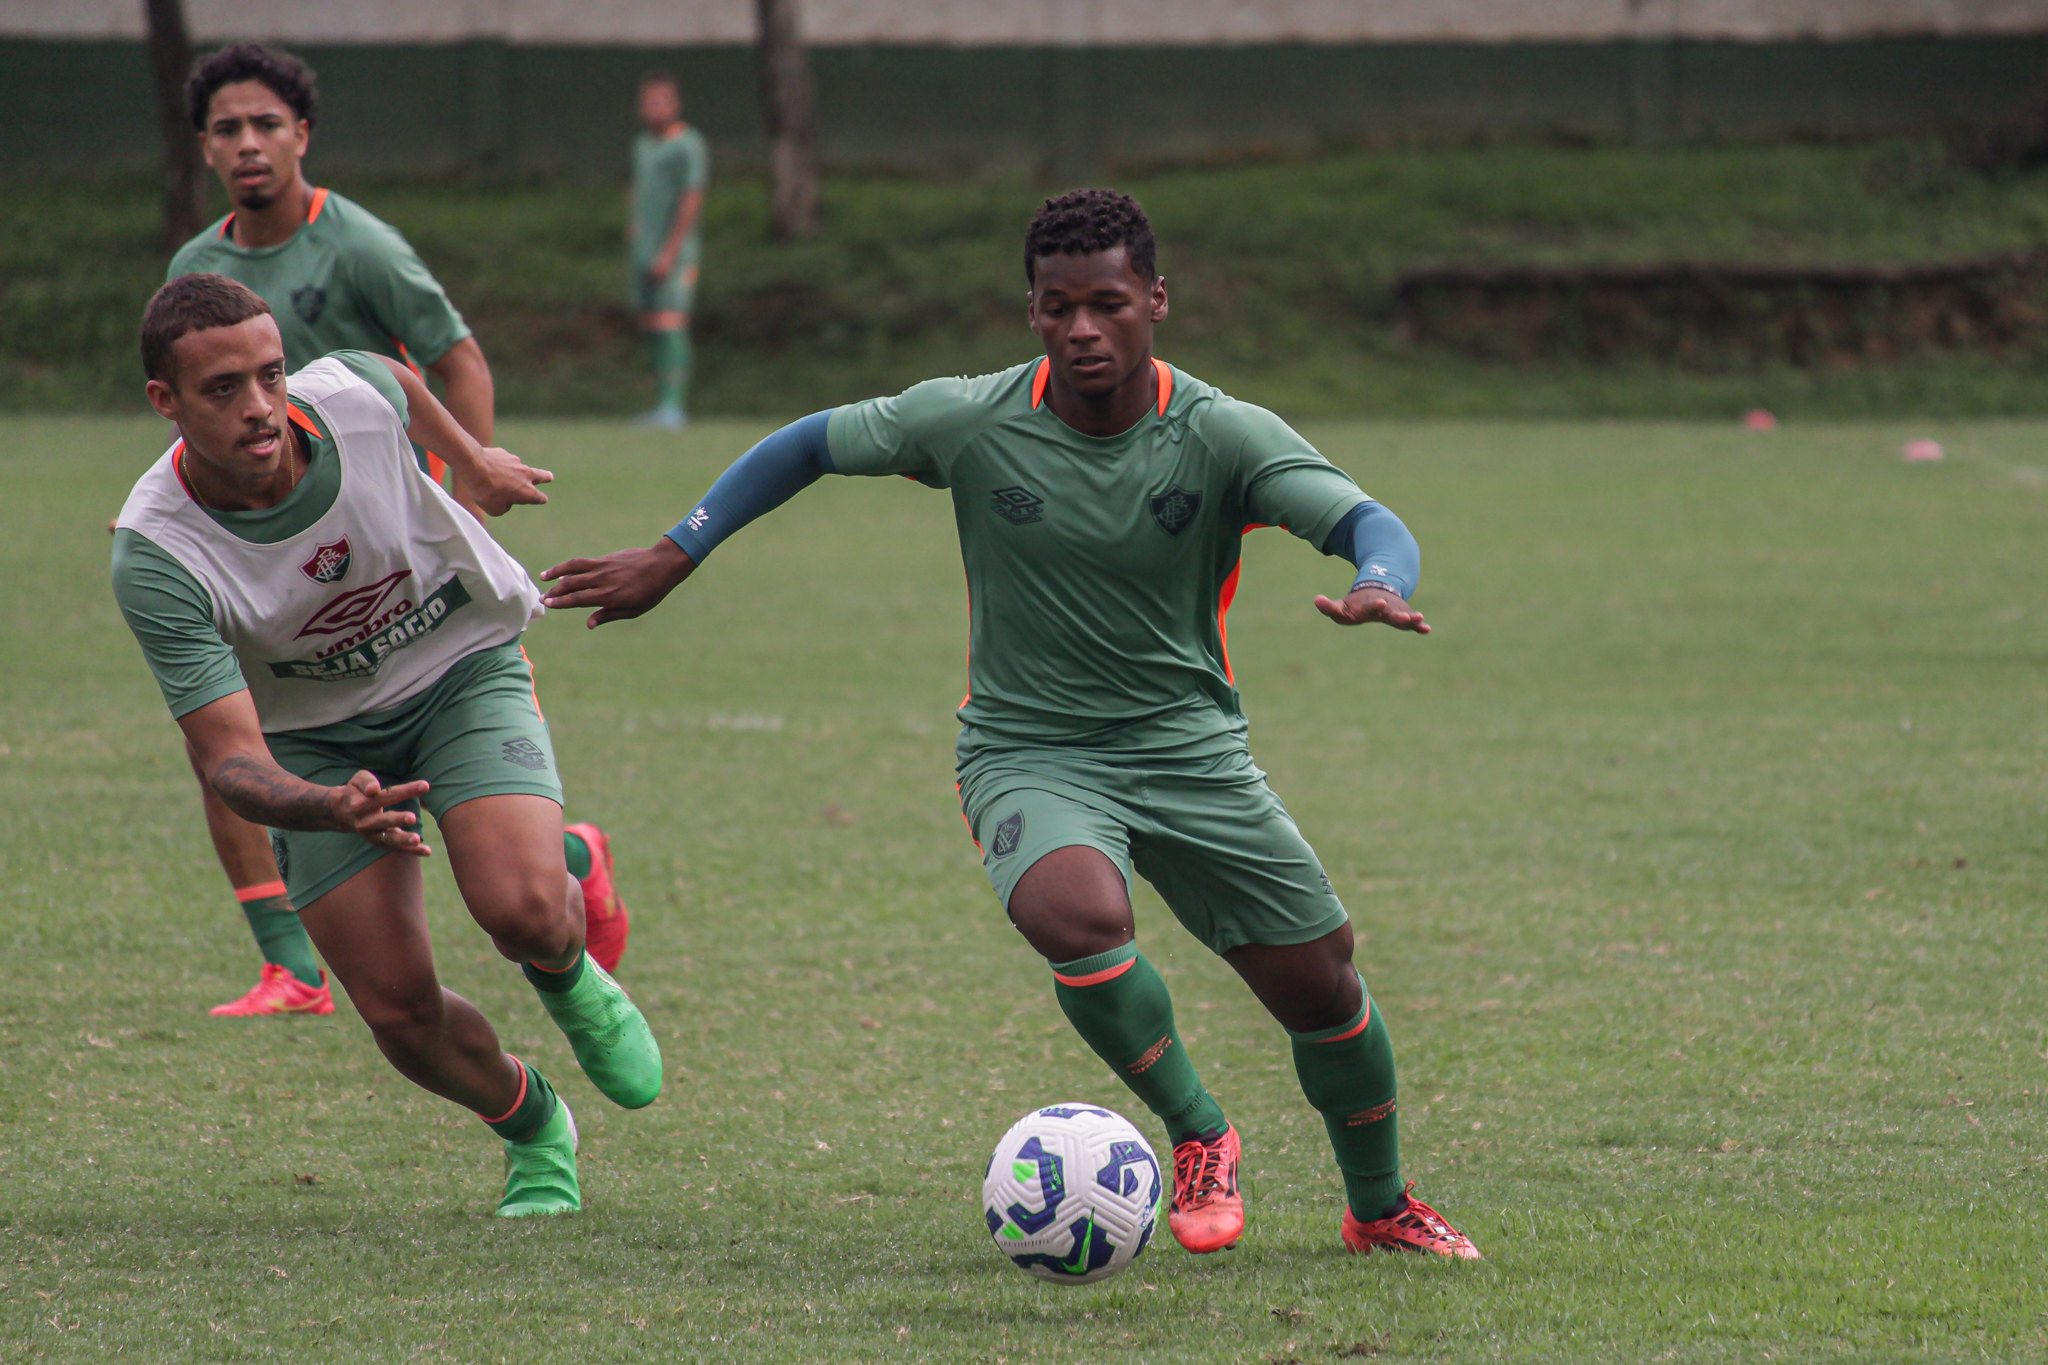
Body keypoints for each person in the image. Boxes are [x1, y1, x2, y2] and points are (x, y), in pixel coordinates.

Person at [539, 190, 1481, 1259]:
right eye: (1056, 307)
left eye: (1108, 304)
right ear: (1030, 311)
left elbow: (1364, 518)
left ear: (1155, 302)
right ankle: (1198, 1131)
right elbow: (809, 443)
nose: (1083, 328)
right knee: (1072, 916)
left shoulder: (1217, 433)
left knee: (1323, 985)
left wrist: (1376, 578)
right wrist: (680, 547)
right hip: (1028, 750)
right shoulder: (970, 419)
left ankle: (1379, 1205)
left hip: (1187, 748)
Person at [112, 273, 664, 1217]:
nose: (261, 409)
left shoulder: (347, 400)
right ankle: (533, 1124)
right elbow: (230, 763)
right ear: (165, 402)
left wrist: (472, 460)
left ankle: (566, 962)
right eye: (223, 390)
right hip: (317, 752)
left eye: (271, 375)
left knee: (522, 910)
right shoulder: (158, 552)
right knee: (400, 1014)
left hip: (458, 669)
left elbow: (398, 380)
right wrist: (332, 804)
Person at [164, 43, 630, 1015]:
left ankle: (568, 855)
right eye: (226, 128)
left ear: (303, 136)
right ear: (205, 149)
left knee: (456, 809)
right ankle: (289, 966)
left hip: (389, 564)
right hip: (273, 569)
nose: (247, 144)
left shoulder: (360, 247)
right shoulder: (196, 270)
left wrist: (463, 490)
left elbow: (455, 360)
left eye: (265, 124)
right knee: (227, 746)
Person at [626, 72, 709, 430]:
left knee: (671, 321)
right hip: (643, 251)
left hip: (674, 253)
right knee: (651, 324)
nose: (653, 108)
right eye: (648, 101)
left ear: (675, 105)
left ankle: (674, 408)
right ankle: (660, 403)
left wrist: (670, 251)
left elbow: (692, 197)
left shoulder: (688, 144)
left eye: (661, 101)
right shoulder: (642, 144)